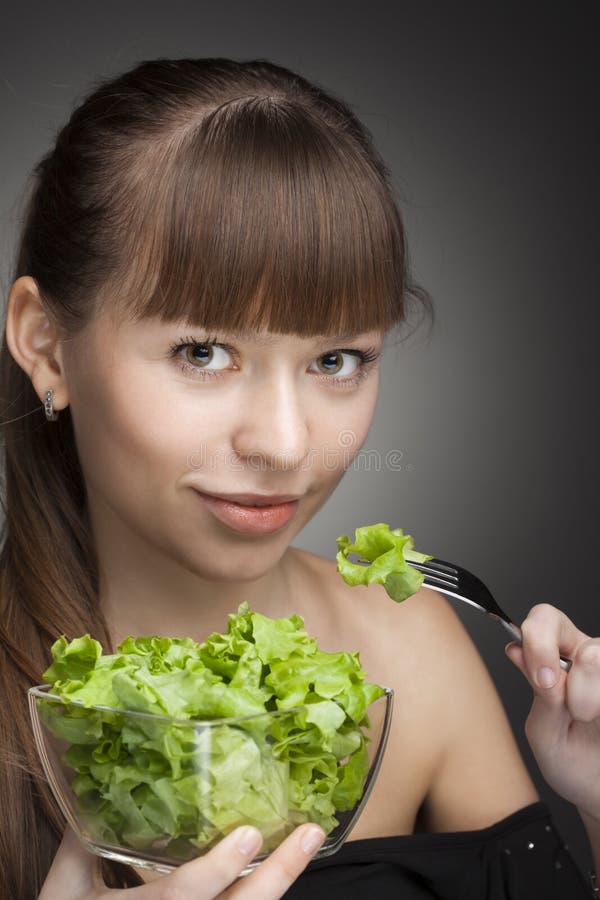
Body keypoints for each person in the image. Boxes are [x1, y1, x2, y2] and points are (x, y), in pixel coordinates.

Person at [0, 56, 598, 900]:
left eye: (337, 359)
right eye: (202, 353)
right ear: (46, 344)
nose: (285, 445)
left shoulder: (412, 649)